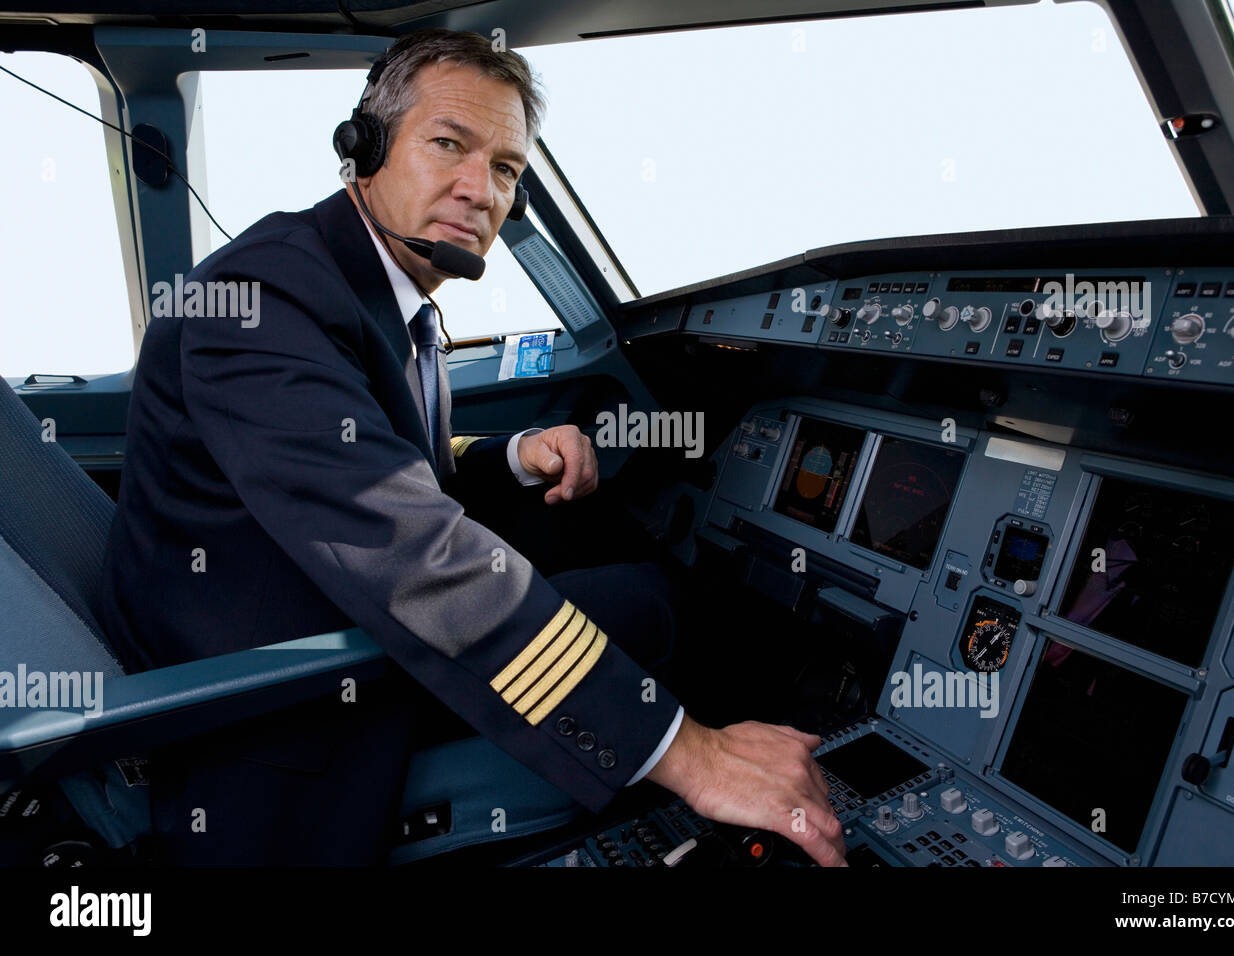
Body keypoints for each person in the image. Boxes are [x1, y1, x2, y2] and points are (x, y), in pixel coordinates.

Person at [99, 27, 844, 867]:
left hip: (295, 602)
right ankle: (789, 778)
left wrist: (513, 453)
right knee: (653, 603)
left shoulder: (373, 289)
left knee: (586, 529)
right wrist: (692, 753)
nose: (480, 189)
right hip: (276, 694)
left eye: (505, 169)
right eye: (449, 144)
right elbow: (409, 552)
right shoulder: (260, 301)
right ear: (366, 151)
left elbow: (383, 457)